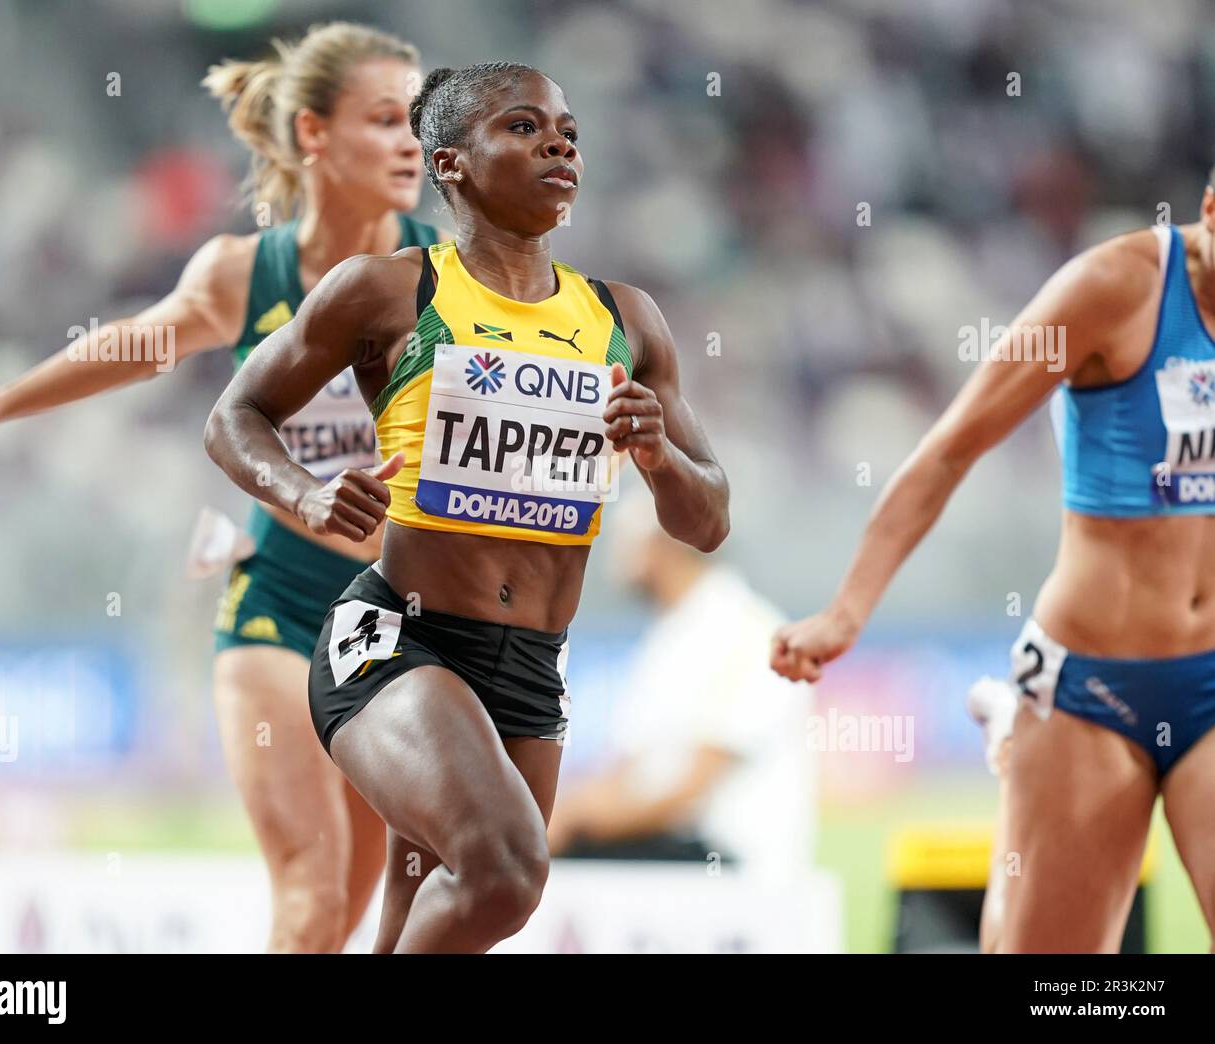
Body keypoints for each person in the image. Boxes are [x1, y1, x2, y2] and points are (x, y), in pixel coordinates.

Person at [0, 22, 445, 953]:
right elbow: (135, 341)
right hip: (277, 603)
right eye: (386, 119)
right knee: (311, 901)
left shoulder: (456, 272)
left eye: (421, 120)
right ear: (315, 134)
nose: (415, 144)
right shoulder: (247, 272)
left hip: (402, 617)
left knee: (354, 920)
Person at [203, 60, 730, 954]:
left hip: (530, 670)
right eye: (523, 127)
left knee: (433, 917)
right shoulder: (388, 290)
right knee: (506, 872)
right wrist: (305, 492)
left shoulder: (626, 320)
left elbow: (707, 520)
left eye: (567, 130)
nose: (558, 142)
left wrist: (657, 453)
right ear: (447, 163)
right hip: (397, 640)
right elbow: (235, 416)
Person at [771, 195, 1215, 953]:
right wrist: (847, 611)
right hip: (1094, 691)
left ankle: (1017, 741)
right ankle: (1023, 737)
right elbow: (951, 446)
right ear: (1209, 209)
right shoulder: (1113, 287)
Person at [548, 488, 815, 881]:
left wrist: (575, 823)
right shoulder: (675, 633)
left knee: (550, 862)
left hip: (728, 859)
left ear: (665, 546)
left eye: (628, 540)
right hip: (678, 843)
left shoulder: (744, 630)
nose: (616, 554)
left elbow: (692, 788)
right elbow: (627, 771)